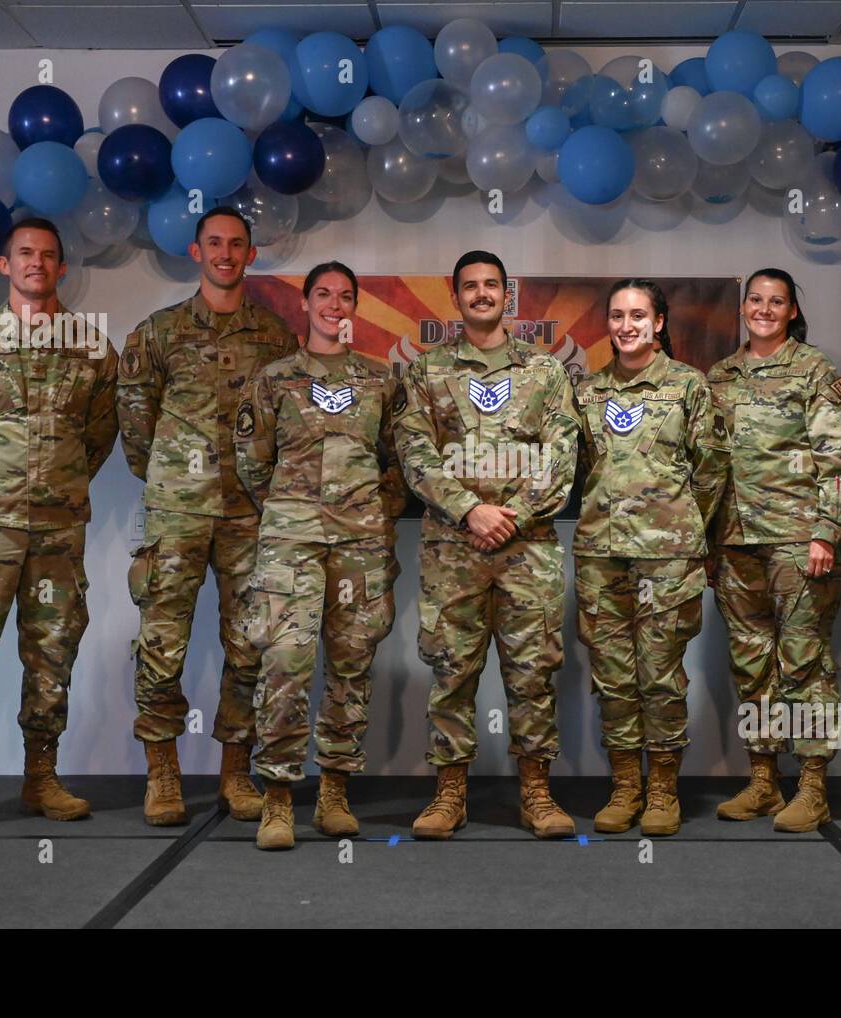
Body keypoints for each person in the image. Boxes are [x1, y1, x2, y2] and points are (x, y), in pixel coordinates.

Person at [0, 217, 118, 835]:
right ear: (5, 265)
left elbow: (101, 433)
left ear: (62, 269)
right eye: (25, 254)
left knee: (53, 651)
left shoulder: (91, 348)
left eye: (49, 255)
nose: (37, 263)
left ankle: (41, 777)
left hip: (58, 529)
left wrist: (57, 485)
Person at [117, 207, 297, 826]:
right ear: (196, 252)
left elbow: (284, 427)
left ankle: (235, 769)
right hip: (178, 512)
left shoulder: (277, 339)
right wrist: (173, 481)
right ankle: (162, 772)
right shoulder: (159, 333)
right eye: (214, 243)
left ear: (250, 255)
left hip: (249, 513)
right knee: (162, 641)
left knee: (250, 644)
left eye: (237, 245)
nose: (225, 253)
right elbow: (135, 426)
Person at [393, 250, 580, 839]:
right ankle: (450, 795)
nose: (481, 294)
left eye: (491, 285)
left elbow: (563, 453)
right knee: (452, 672)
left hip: (530, 550)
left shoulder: (545, 371)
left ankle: (537, 794)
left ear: (508, 295)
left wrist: (516, 515)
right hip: (453, 550)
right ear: (455, 297)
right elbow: (413, 454)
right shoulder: (427, 371)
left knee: (532, 673)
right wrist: (471, 511)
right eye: (470, 286)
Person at [234, 262, 407, 850]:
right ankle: (278, 797)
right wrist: (292, 509)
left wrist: (370, 512)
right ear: (305, 303)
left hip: (360, 544)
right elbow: (253, 462)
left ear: (356, 307)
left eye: (346, 296)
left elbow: (400, 461)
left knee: (352, 663)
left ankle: (334, 789)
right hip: (291, 542)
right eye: (324, 295)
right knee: (285, 661)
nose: (336, 305)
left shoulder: (381, 380)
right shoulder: (274, 378)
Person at [706, 268, 841, 833]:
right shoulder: (719, 376)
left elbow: (838, 459)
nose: (764, 309)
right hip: (734, 543)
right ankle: (763, 781)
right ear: (743, 307)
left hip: (800, 542)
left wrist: (827, 531)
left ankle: (814, 785)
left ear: (792, 310)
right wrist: (705, 540)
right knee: (752, 667)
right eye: (755, 300)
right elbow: (704, 466)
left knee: (806, 663)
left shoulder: (815, 371)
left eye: (776, 301)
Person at [573, 279, 727, 835]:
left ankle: (662, 789)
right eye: (617, 315)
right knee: (612, 678)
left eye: (639, 314)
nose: (627, 325)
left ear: (659, 322)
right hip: (600, 554)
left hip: (667, 558)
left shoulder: (688, 386)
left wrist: (684, 528)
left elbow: (711, 468)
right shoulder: (587, 392)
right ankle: (625, 786)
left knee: (660, 676)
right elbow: (581, 469)